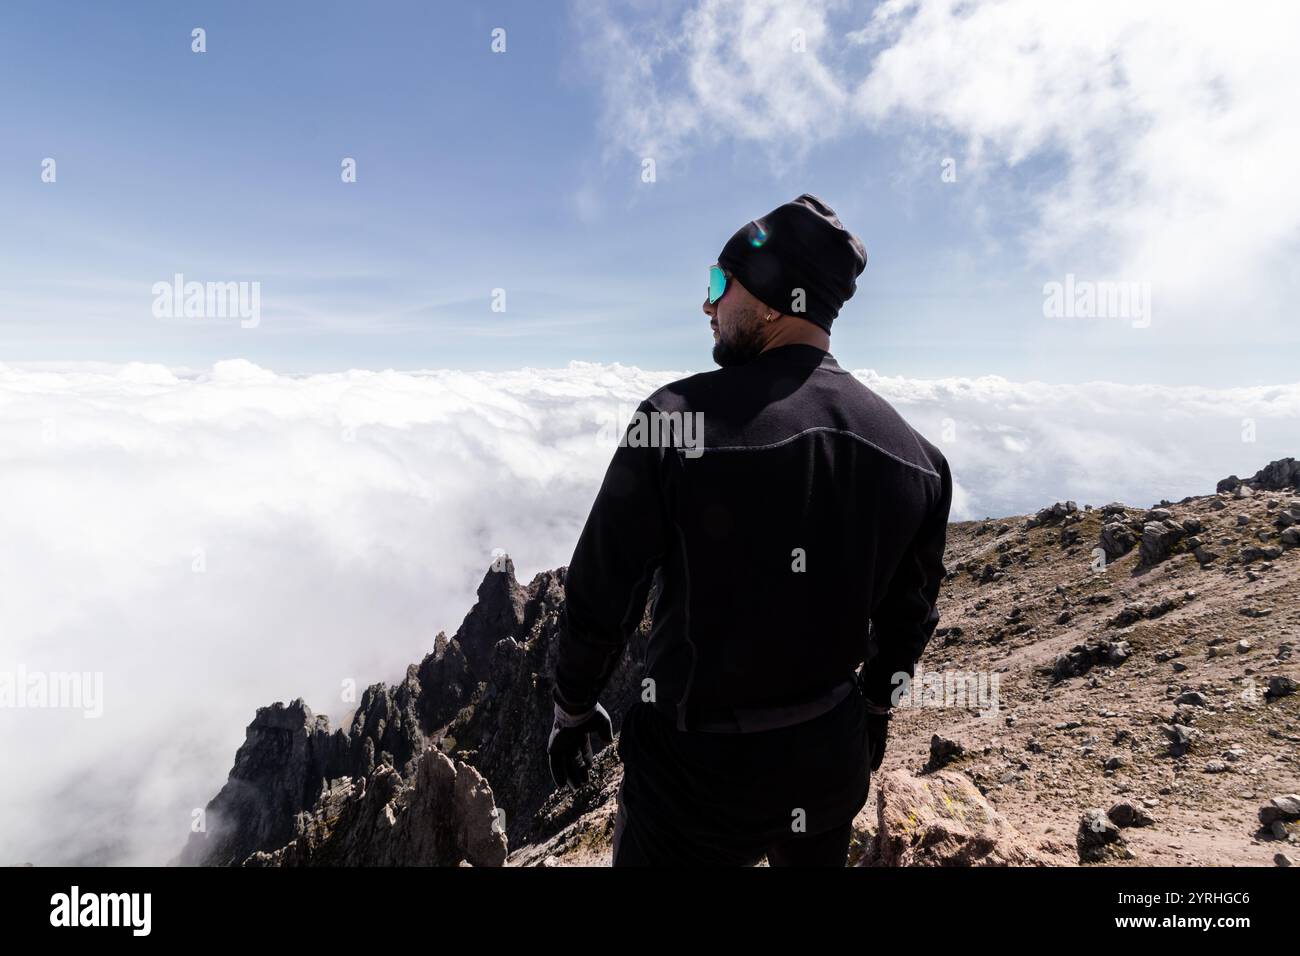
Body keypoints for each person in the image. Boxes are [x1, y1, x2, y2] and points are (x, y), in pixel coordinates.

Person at [547, 194, 952, 866]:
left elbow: (601, 591)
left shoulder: (674, 419)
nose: (706, 305)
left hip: (692, 782)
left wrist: (573, 708)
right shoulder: (918, 460)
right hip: (826, 767)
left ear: (770, 298)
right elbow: (909, 619)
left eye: (717, 284)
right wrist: (873, 714)